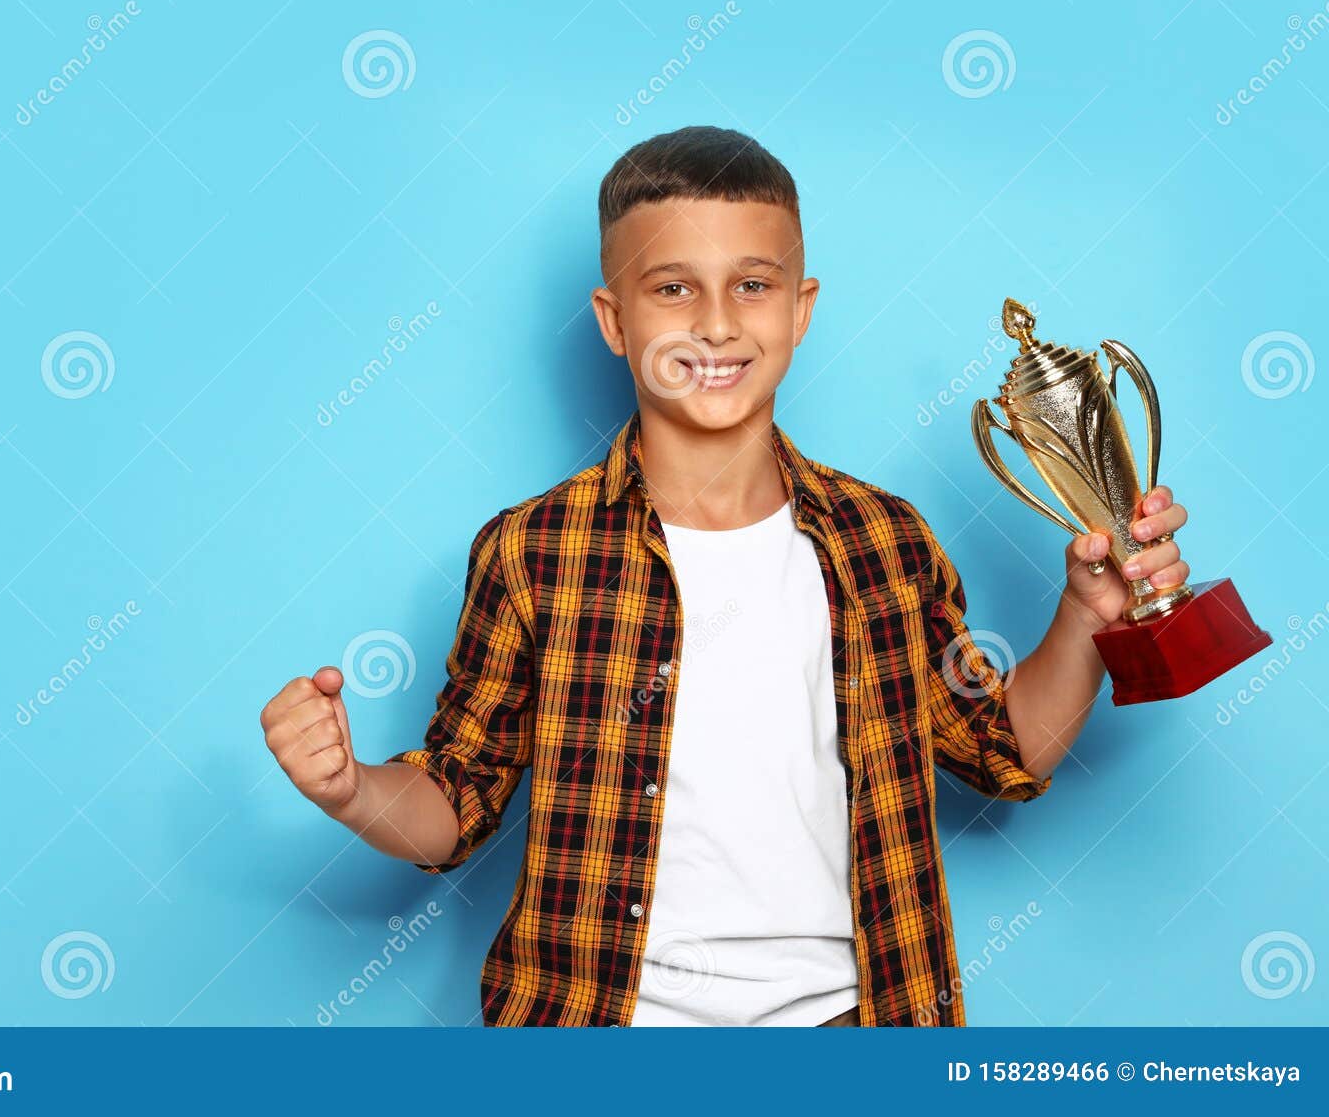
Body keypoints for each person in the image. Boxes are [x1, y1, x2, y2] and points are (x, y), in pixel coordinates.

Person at [259, 125, 1191, 1027]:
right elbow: (454, 807)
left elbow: (1006, 749)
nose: (714, 324)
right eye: (672, 288)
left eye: (752, 284)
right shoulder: (535, 552)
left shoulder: (886, 542)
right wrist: (350, 789)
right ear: (616, 322)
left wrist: (1085, 615)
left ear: (801, 308)